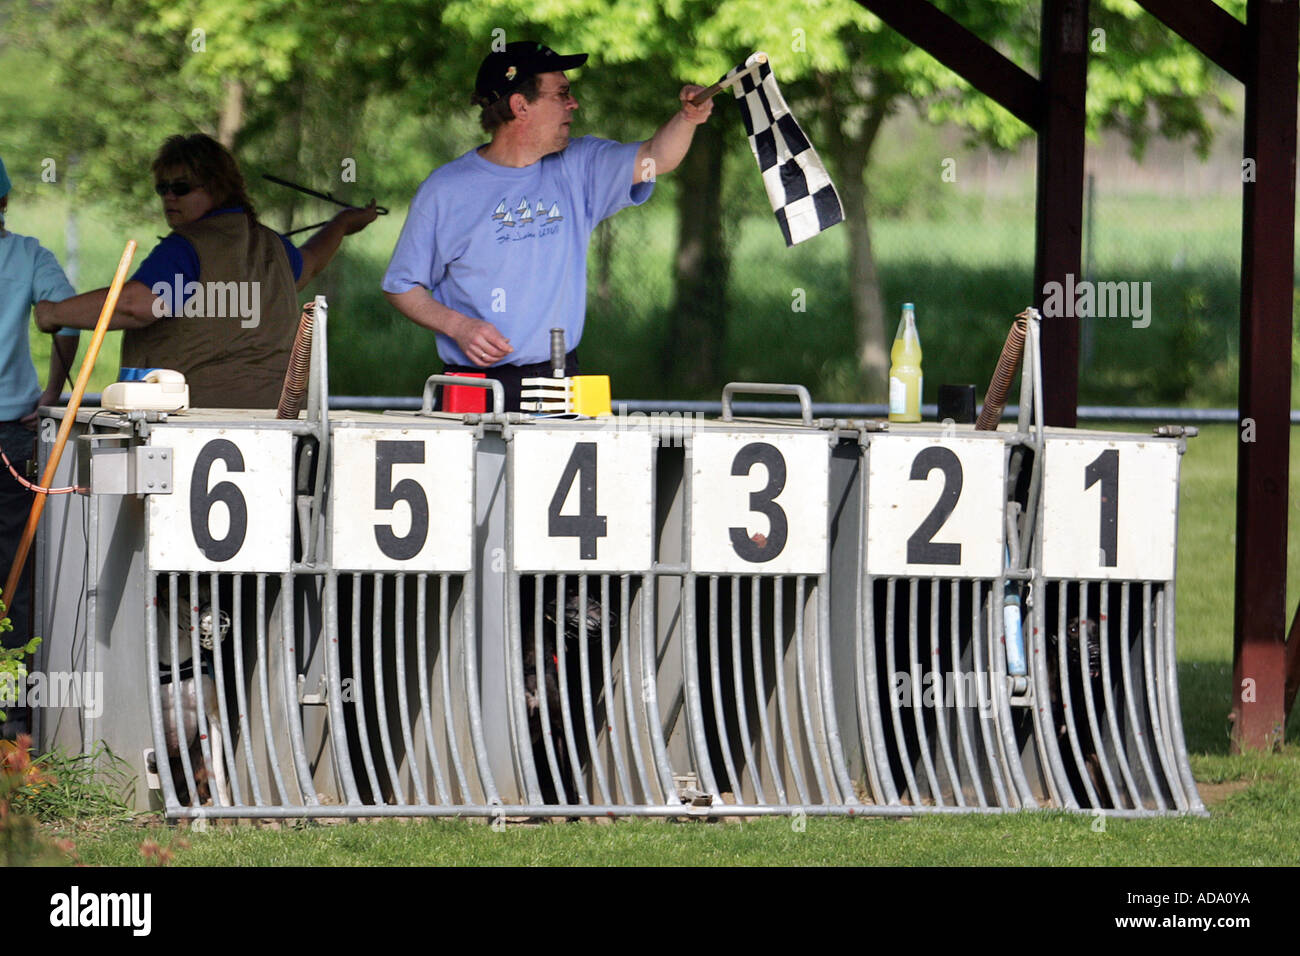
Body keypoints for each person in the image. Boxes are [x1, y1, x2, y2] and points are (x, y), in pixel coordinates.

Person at [382, 40, 713, 411]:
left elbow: (656, 158)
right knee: (474, 473)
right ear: (520, 106)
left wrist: (687, 118)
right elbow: (401, 285)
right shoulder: (445, 189)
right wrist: (458, 326)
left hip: (559, 381)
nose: (573, 104)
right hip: (471, 387)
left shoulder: (579, 166)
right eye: (562, 94)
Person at [38, 134, 377, 407]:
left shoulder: (186, 246)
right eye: (163, 188)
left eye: (182, 187)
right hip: (280, 420)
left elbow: (136, 304)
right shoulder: (272, 245)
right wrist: (342, 224)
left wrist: (55, 312)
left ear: (217, 187)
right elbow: (311, 262)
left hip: (198, 425)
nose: (169, 196)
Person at [0, 155, 79, 691]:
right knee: (15, 576)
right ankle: (11, 715)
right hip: (13, 437)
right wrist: (53, 389)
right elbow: (67, 316)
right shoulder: (28, 254)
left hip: (12, 437)